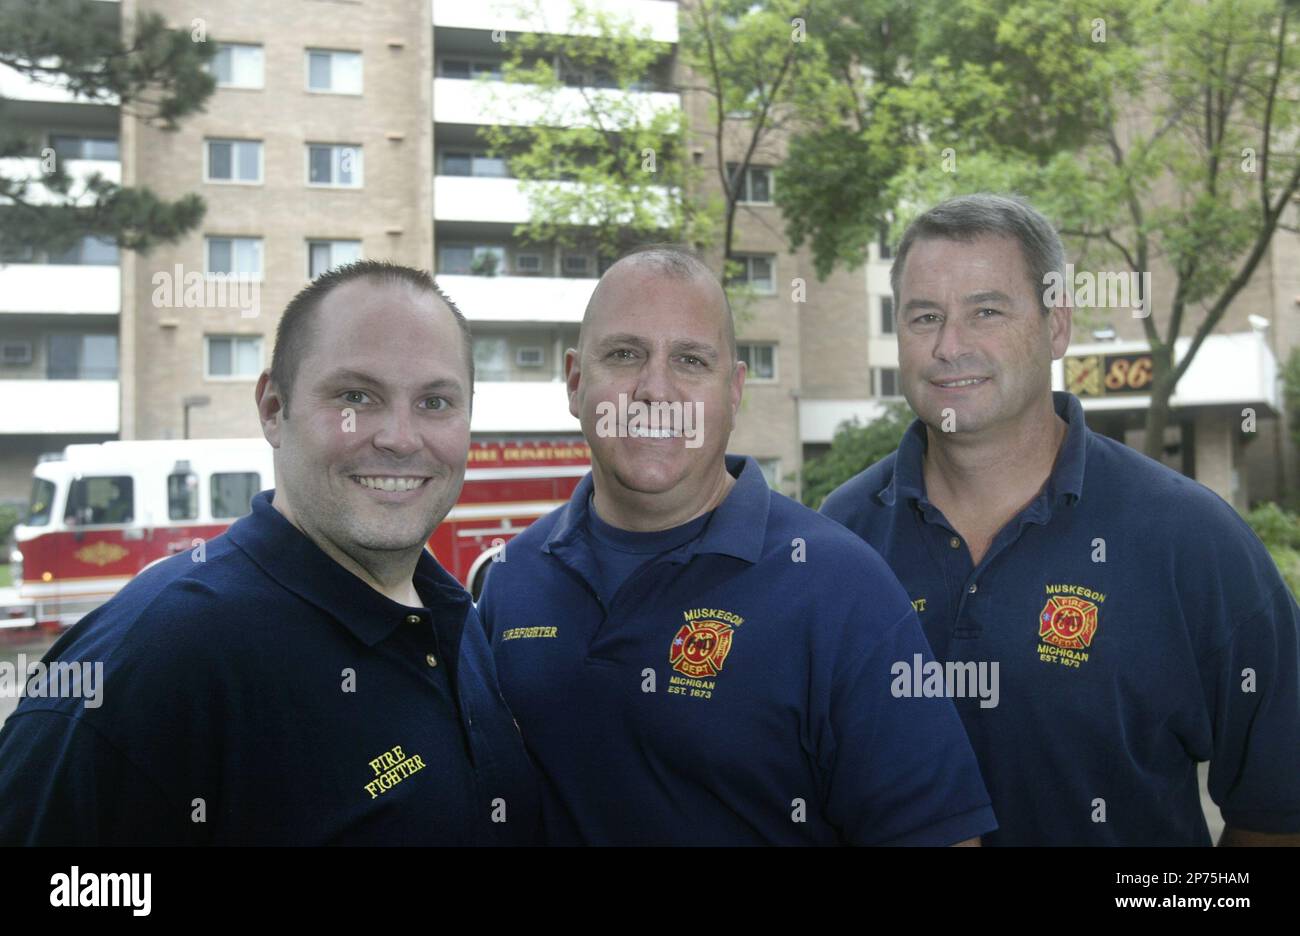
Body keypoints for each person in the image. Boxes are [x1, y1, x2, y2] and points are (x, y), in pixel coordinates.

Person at [0, 261, 538, 845]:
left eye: (435, 402)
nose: (400, 439)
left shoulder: (453, 619)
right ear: (273, 409)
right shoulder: (152, 662)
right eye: (356, 396)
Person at [821, 193, 1300, 846]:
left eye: (987, 311)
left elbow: (1278, 808)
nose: (949, 345)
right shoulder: (840, 537)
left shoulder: (1191, 537)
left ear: (1057, 327)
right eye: (924, 316)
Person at [477, 245, 996, 845]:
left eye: (690, 360)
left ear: (733, 391)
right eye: (624, 354)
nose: (655, 391)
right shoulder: (513, 579)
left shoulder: (841, 585)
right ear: (575, 382)